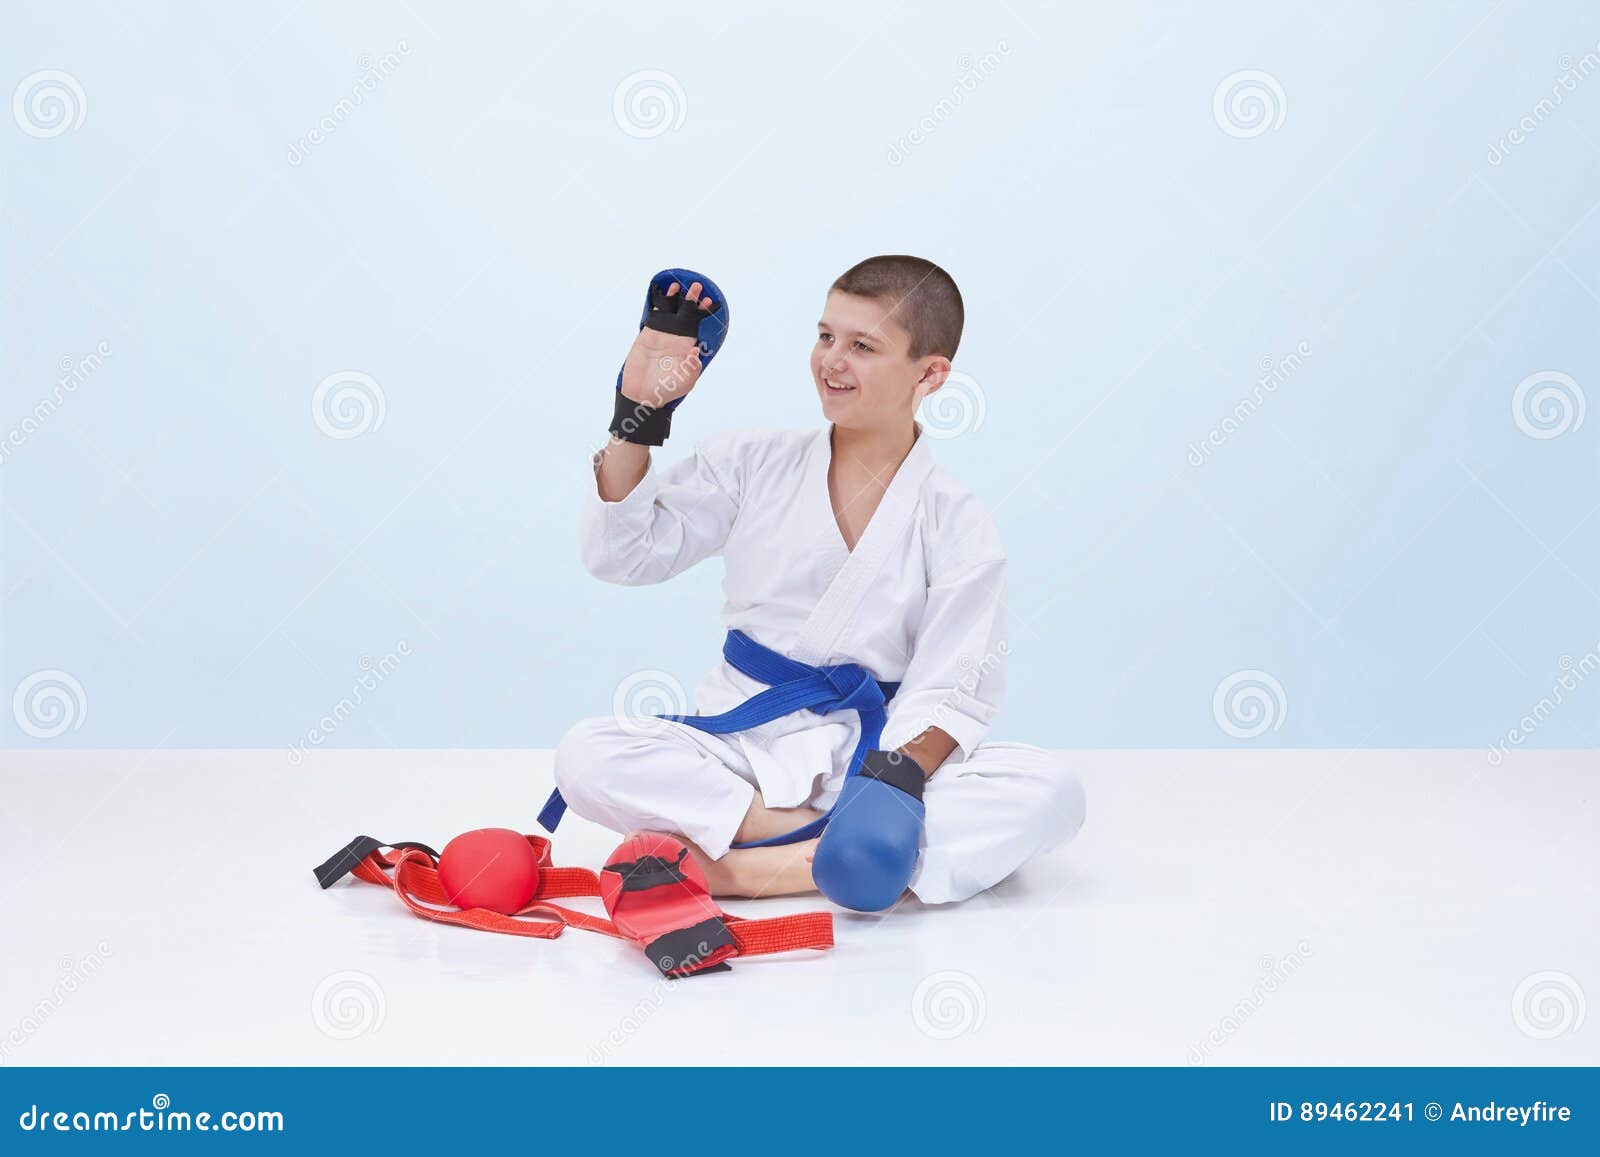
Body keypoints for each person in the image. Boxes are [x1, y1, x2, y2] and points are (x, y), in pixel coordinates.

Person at [552, 256, 1085, 905]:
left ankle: (742, 866)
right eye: (826, 335)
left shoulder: (956, 518)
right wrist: (636, 413)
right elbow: (625, 554)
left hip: (875, 754)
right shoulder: (751, 462)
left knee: (1051, 790)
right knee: (587, 753)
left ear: (931, 372)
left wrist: (890, 787)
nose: (832, 360)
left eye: (862, 346)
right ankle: (828, 855)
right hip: (739, 747)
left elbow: (955, 687)